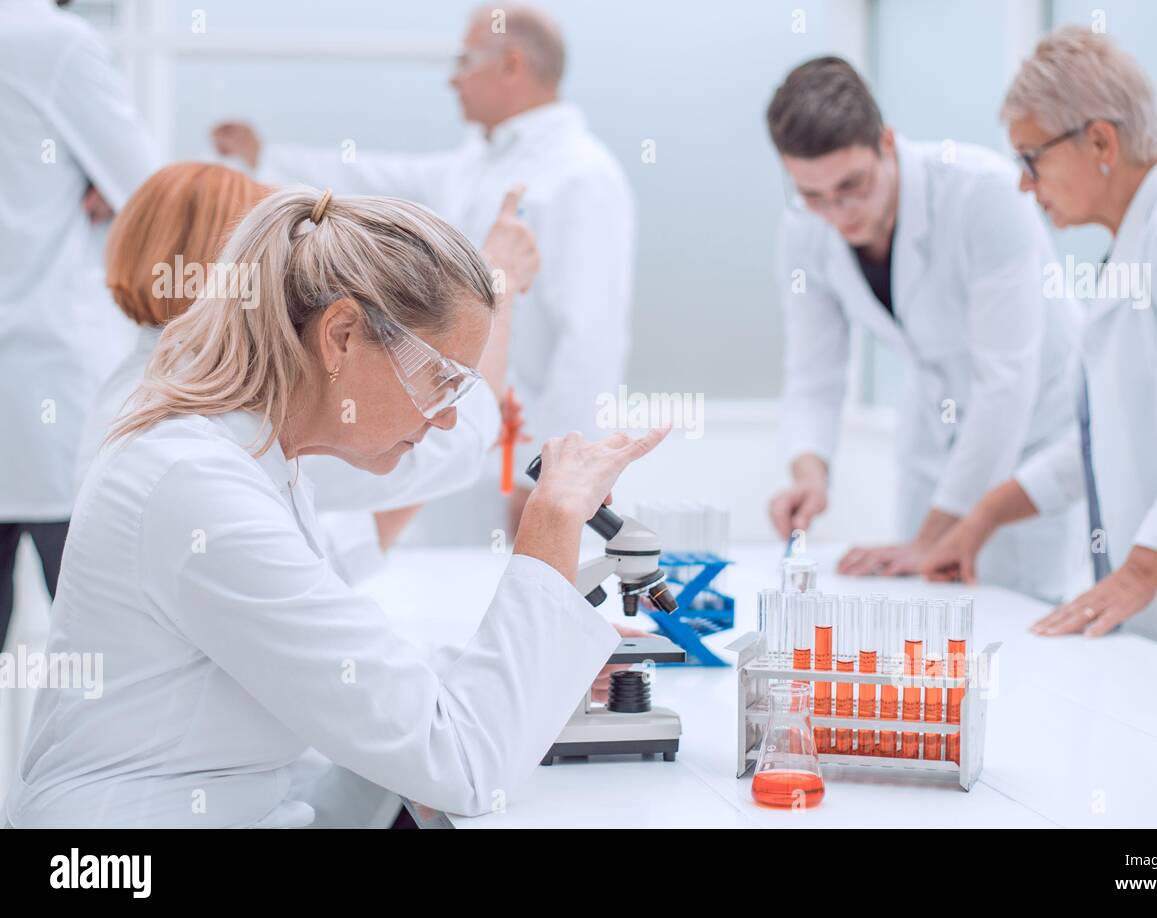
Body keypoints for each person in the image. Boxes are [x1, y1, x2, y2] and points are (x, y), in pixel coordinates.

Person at [5, 186, 666, 827]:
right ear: (343, 334)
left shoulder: (254, 457)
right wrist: (549, 526)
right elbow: (464, 765)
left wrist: (539, 673)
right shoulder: (198, 484)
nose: (445, 420)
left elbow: (357, 677)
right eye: (442, 378)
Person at [920, 26, 1157, 658]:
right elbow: (1105, 440)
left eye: (1030, 158)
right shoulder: (1136, 242)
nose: (1023, 184)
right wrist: (984, 516)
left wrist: (1143, 568)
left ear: (1100, 140)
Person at [212, 3, 634, 534]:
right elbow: (384, 177)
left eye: (465, 60)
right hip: (457, 433)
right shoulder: (478, 163)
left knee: (524, 594)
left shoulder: (581, 175)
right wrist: (266, 156)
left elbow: (591, 341)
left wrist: (550, 482)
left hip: (520, 459)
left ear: (512, 65)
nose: (452, 79)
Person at [77, 162, 538, 585]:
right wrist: (497, 282)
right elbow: (452, 448)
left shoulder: (145, 388)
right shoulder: (209, 437)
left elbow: (310, 565)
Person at [764, 57, 1081, 600]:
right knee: (921, 613)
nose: (840, 214)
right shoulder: (803, 231)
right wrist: (810, 472)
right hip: (934, 441)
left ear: (886, 142)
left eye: (852, 186)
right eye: (814, 195)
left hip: (1033, 437)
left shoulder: (984, 195)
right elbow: (814, 376)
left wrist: (932, 537)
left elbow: (1005, 381)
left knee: (1016, 626)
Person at [0, 0, 157, 651]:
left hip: (37, 388)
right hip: (45, 378)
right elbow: (154, 197)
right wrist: (102, 178)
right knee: (104, 656)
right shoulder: (55, 43)